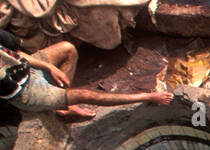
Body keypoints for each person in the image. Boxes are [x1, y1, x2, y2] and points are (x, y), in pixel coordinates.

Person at [0, 29, 170, 120]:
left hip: (25, 69)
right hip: (25, 92)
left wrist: (48, 67)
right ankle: (148, 97)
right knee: (85, 95)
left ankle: (62, 100)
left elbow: (17, 54)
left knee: (68, 49)